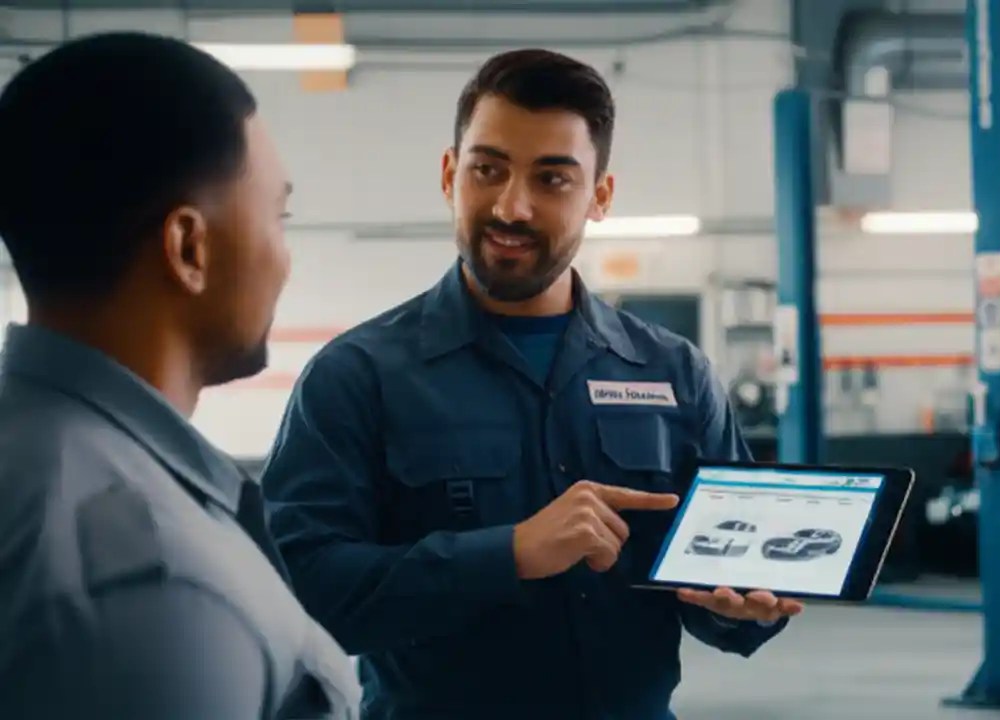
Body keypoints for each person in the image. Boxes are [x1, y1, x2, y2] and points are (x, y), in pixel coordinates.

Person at [260, 48, 802, 720]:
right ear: (449, 174)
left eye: (552, 179)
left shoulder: (674, 374)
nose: (511, 207)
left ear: (599, 197)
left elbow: (725, 583)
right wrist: (509, 553)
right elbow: (299, 593)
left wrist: (743, 609)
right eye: (488, 170)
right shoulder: (357, 377)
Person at [0, 32, 359, 719]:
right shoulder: (152, 580)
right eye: (277, 219)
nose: (285, 261)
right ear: (188, 247)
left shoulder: (35, 461)